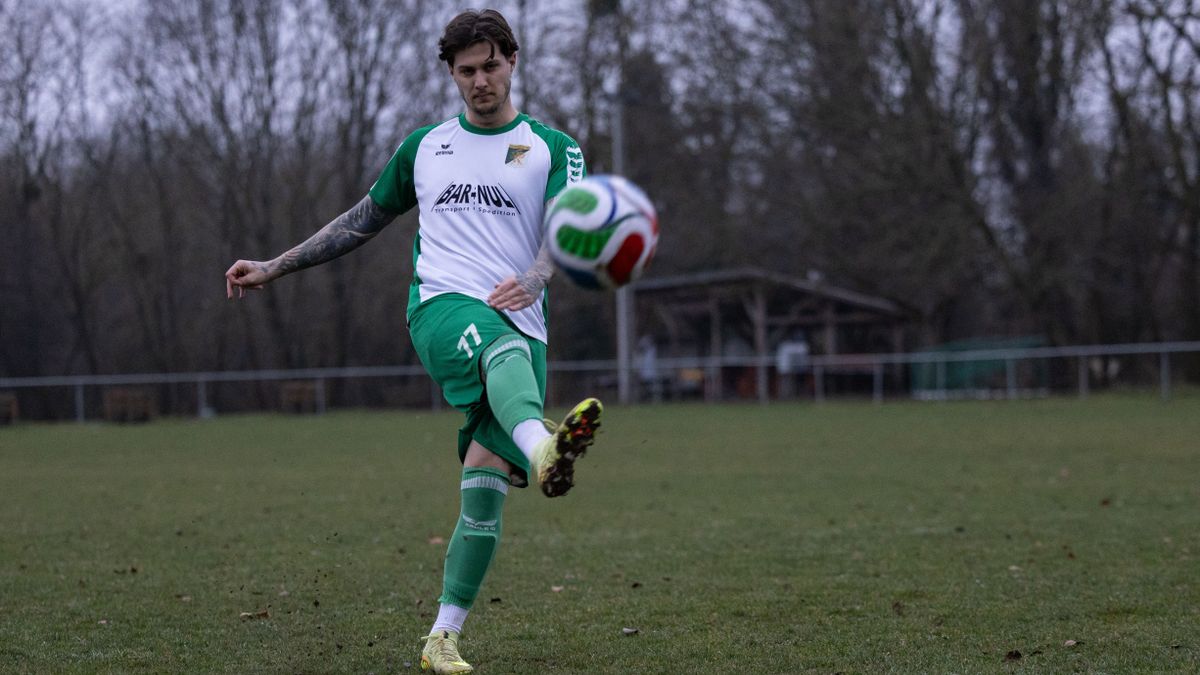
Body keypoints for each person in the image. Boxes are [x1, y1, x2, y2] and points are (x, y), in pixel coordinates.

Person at [224, 9, 600, 674]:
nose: (480, 80)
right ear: (451, 74)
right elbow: (362, 220)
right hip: (442, 309)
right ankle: (546, 446)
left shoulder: (552, 146)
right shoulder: (424, 147)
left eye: (489, 65)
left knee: (482, 484)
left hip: (524, 325)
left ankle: (440, 637)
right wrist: (275, 266)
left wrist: (539, 275)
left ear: (512, 61)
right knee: (496, 352)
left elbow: (569, 232)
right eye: (466, 71)